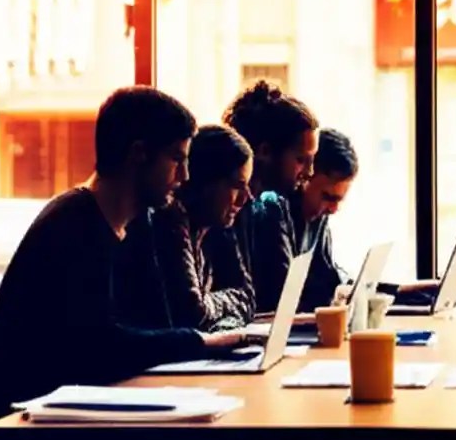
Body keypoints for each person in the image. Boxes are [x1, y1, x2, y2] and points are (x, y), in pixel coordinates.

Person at [0, 87, 241, 401]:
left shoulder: (136, 224)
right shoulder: (73, 224)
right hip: (33, 426)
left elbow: (156, 323)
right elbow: (102, 348)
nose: (185, 175)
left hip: (85, 407)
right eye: (176, 159)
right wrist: (199, 342)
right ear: (138, 154)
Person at [290, 128, 438, 311]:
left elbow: (334, 283)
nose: (334, 209)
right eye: (328, 197)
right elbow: (312, 296)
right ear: (305, 176)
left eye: (339, 200)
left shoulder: (317, 218)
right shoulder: (279, 214)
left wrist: (407, 292)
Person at [220, 79, 319, 313]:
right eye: (301, 160)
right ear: (264, 151)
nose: (310, 172)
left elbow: (284, 298)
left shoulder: (271, 207)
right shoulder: (223, 211)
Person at [149, 125, 256, 332]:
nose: (246, 198)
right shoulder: (170, 222)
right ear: (205, 182)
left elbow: (248, 297)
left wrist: (215, 310)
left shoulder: (217, 226)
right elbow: (193, 314)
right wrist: (221, 310)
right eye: (237, 185)